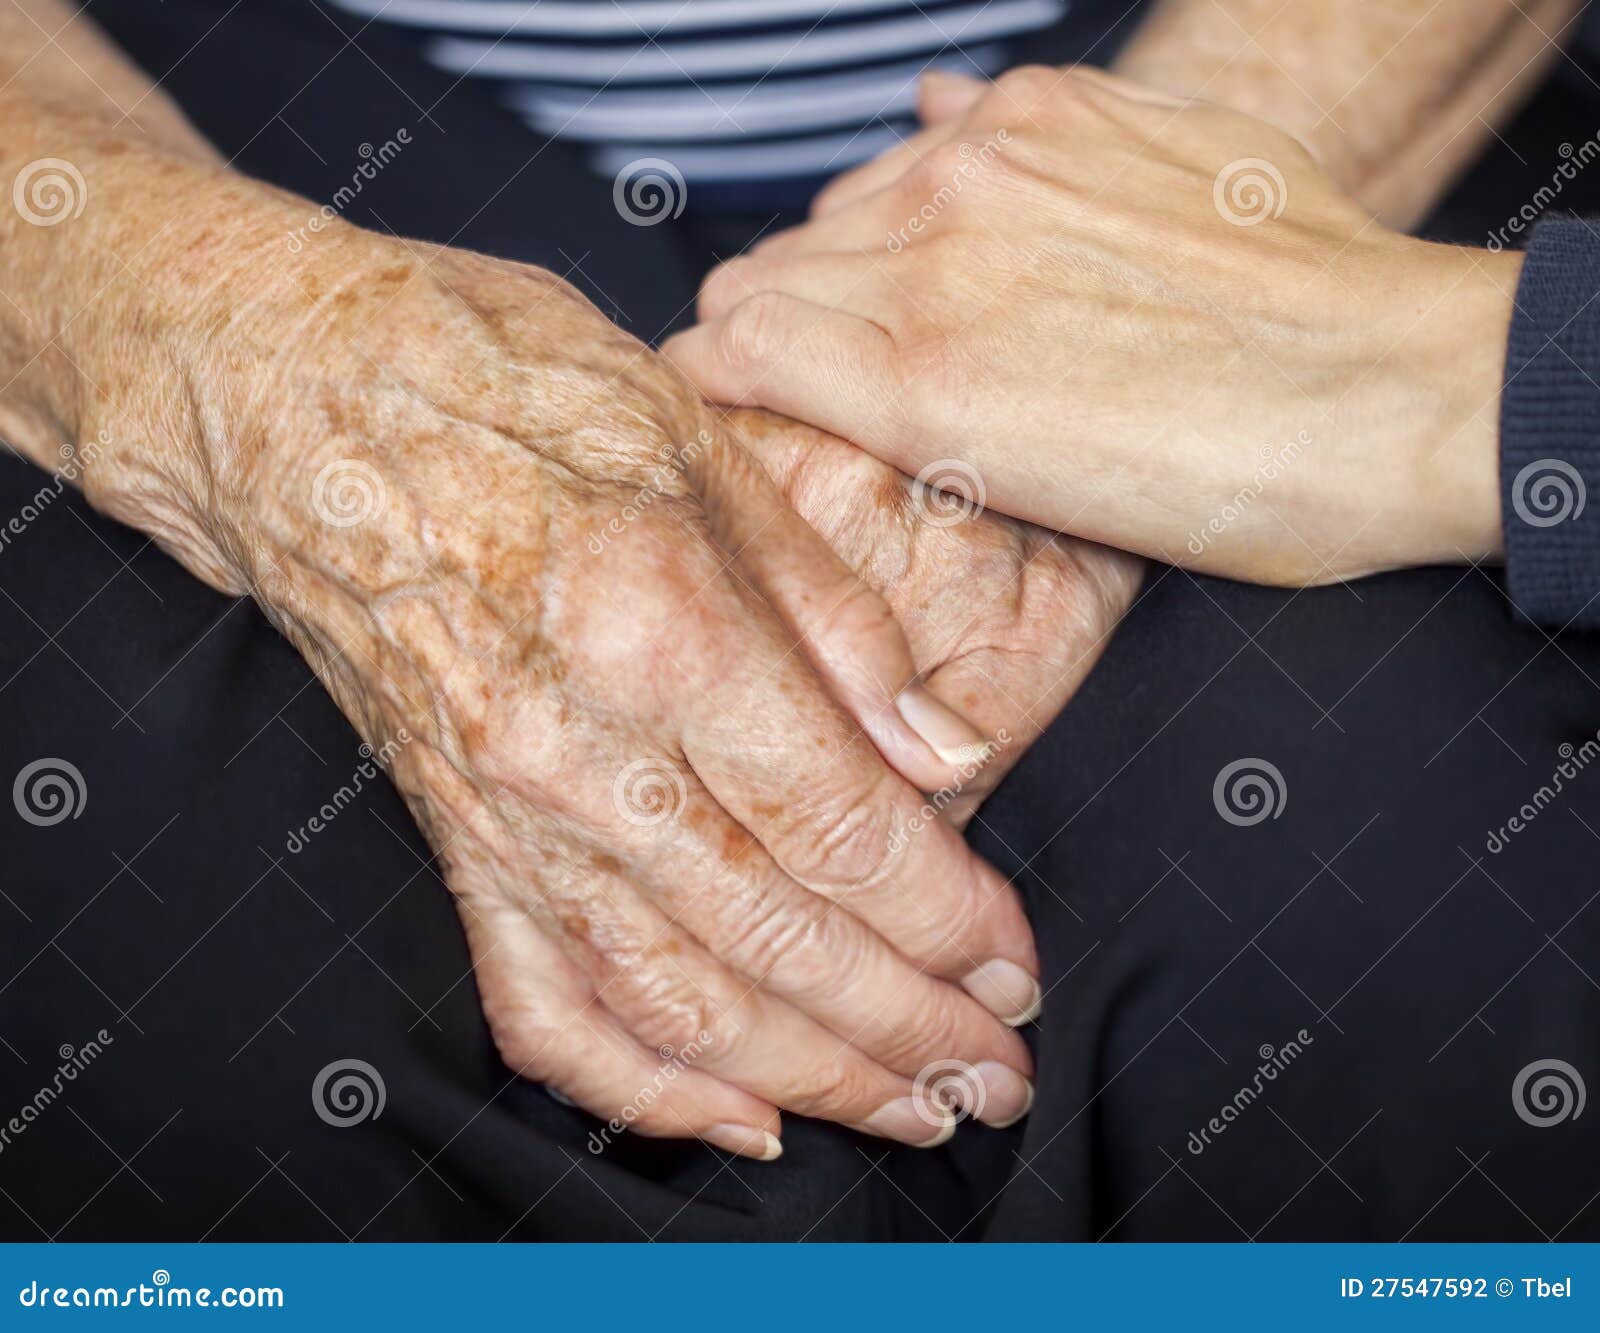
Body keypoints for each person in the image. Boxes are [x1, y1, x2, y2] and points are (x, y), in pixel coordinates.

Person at [0, 0, 1595, 1241]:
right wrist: (213, 320)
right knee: (203, 992)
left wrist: (1153, 262)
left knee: (1404, 906)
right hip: (143, 133)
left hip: (1272, 63)